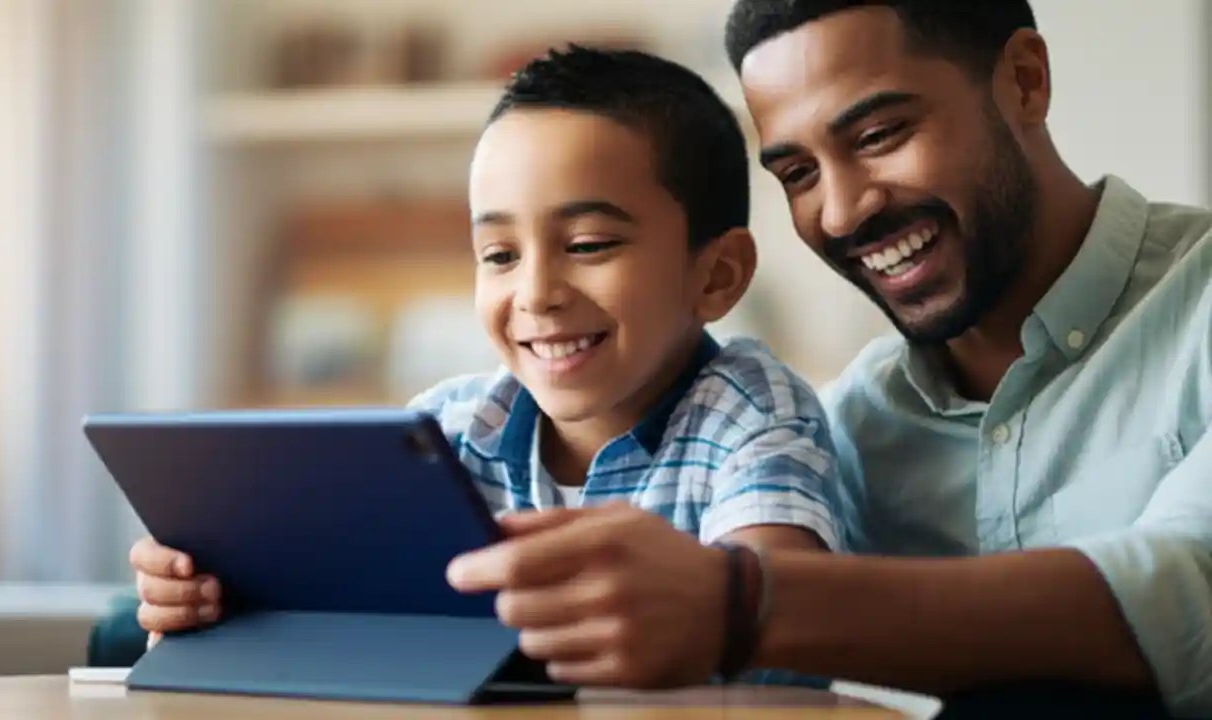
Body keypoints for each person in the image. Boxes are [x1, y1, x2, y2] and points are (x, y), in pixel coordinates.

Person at [443, 1, 1212, 715]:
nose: (842, 211)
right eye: (798, 174)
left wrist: (744, 604)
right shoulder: (845, 428)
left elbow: (1188, 589)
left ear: (1024, 80)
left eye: (879, 136)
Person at [128, 46, 851, 656]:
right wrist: (213, 604)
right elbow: (345, 627)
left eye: (589, 245)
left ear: (717, 275)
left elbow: (774, 613)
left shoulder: (753, 414)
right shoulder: (442, 431)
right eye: (498, 255)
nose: (536, 293)